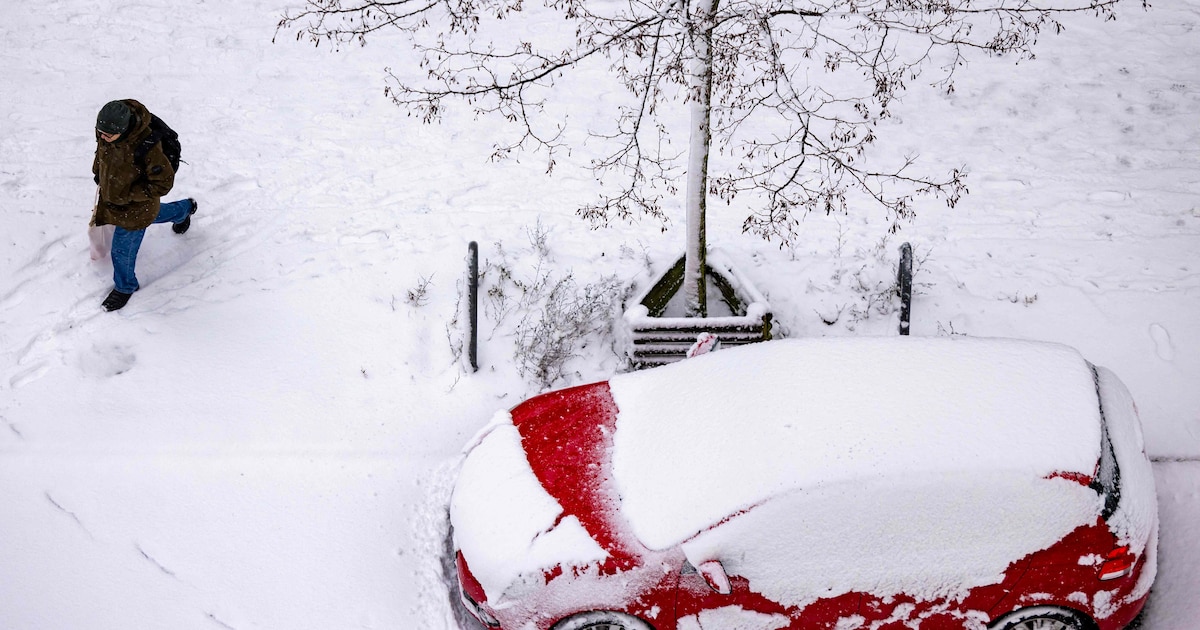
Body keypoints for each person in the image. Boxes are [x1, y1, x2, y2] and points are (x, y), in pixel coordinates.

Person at [92, 99, 197, 311]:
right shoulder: (108, 130)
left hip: (135, 210)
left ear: (123, 130)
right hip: (116, 200)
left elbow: (163, 183)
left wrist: (128, 194)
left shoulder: (148, 148)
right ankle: (185, 209)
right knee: (156, 213)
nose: (102, 137)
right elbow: (103, 153)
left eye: (107, 135)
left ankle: (125, 287)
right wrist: (98, 172)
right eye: (99, 132)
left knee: (122, 251)